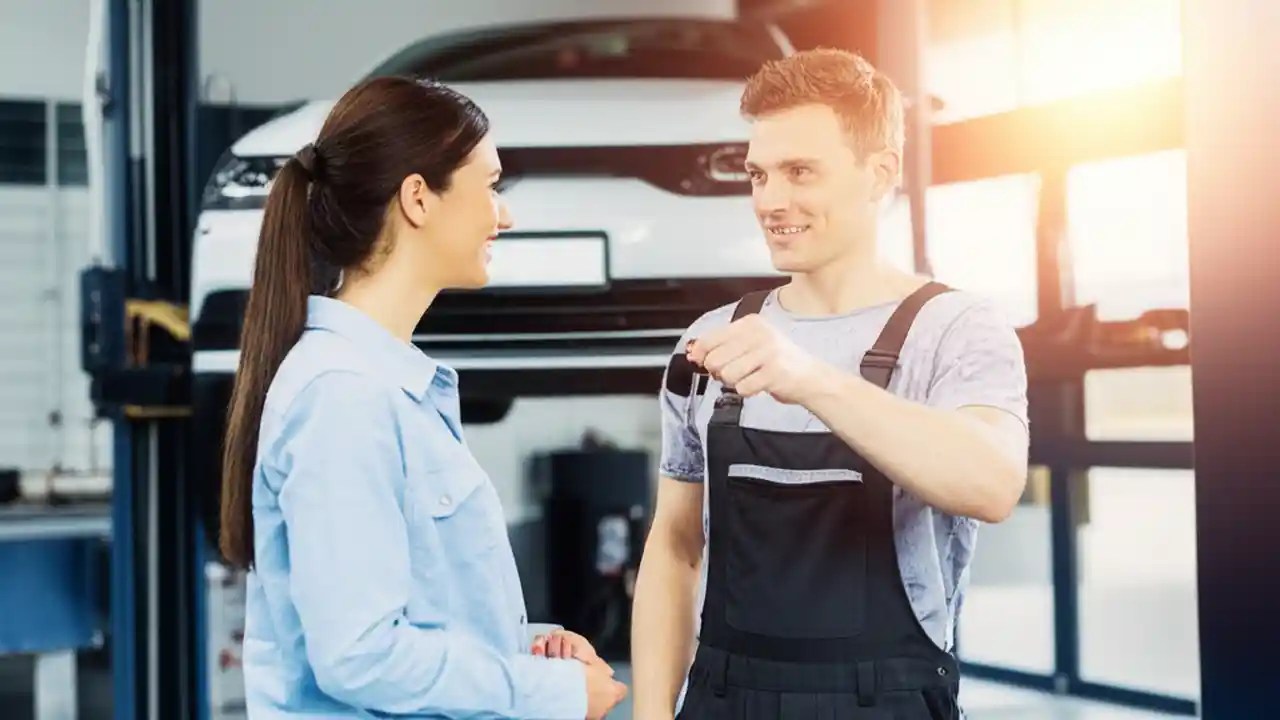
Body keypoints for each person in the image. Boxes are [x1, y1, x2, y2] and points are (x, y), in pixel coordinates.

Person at [630, 48, 1030, 719]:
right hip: (723, 699)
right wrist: (649, 714)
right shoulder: (712, 340)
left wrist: (809, 377)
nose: (770, 201)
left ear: (879, 174)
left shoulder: (957, 328)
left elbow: (991, 484)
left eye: (800, 172)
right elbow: (673, 545)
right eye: (758, 175)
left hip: (888, 702)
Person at [217, 75, 628, 719]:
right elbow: (360, 654)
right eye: (491, 186)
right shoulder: (344, 397)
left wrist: (521, 649)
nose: (505, 214)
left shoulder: (383, 386)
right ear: (418, 198)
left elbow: (408, 616)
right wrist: (549, 694)